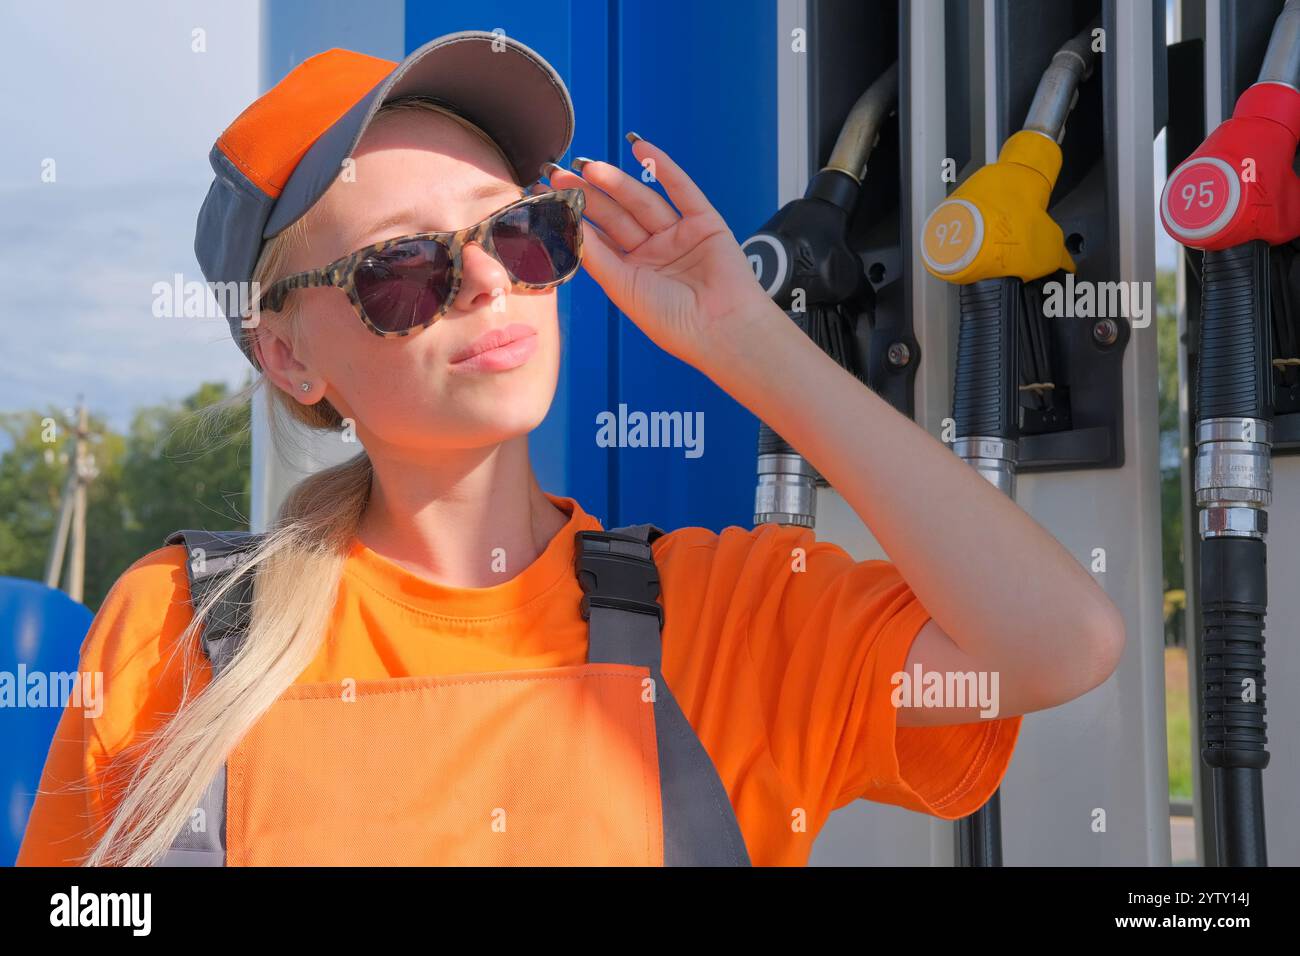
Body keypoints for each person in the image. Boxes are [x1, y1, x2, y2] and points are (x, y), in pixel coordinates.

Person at [17, 31, 1123, 867]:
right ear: (291, 358)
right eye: (404, 267)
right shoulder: (183, 627)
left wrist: (751, 349)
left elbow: (1058, 642)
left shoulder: (727, 615)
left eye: (516, 228)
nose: (491, 278)